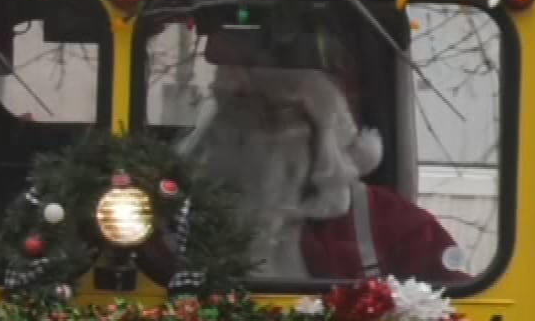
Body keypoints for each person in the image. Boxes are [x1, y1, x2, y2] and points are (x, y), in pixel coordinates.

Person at [178, 60, 466, 283]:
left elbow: (458, 312)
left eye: (279, 114)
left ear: (322, 137)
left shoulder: (386, 220)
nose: (254, 133)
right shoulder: (181, 217)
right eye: (238, 110)